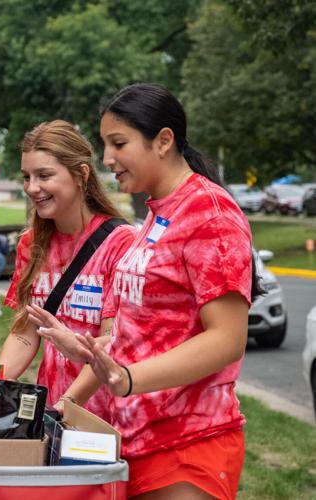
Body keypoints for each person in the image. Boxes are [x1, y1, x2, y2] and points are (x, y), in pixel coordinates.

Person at [33, 83, 258, 499]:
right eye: (105, 144)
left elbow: (227, 339)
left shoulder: (208, 211)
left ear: (163, 141)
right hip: (134, 442)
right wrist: (79, 378)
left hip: (187, 444)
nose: (107, 158)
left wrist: (128, 378)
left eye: (119, 143)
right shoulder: (155, 216)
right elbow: (140, 335)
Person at [0, 121, 136, 421]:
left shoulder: (120, 243)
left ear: (81, 175)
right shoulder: (31, 244)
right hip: (54, 414)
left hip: (103, 419)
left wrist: (66, 405)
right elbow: (25, 333)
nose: (32, 188)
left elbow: (112, 344)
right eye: (26, 177)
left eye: (44, 175)